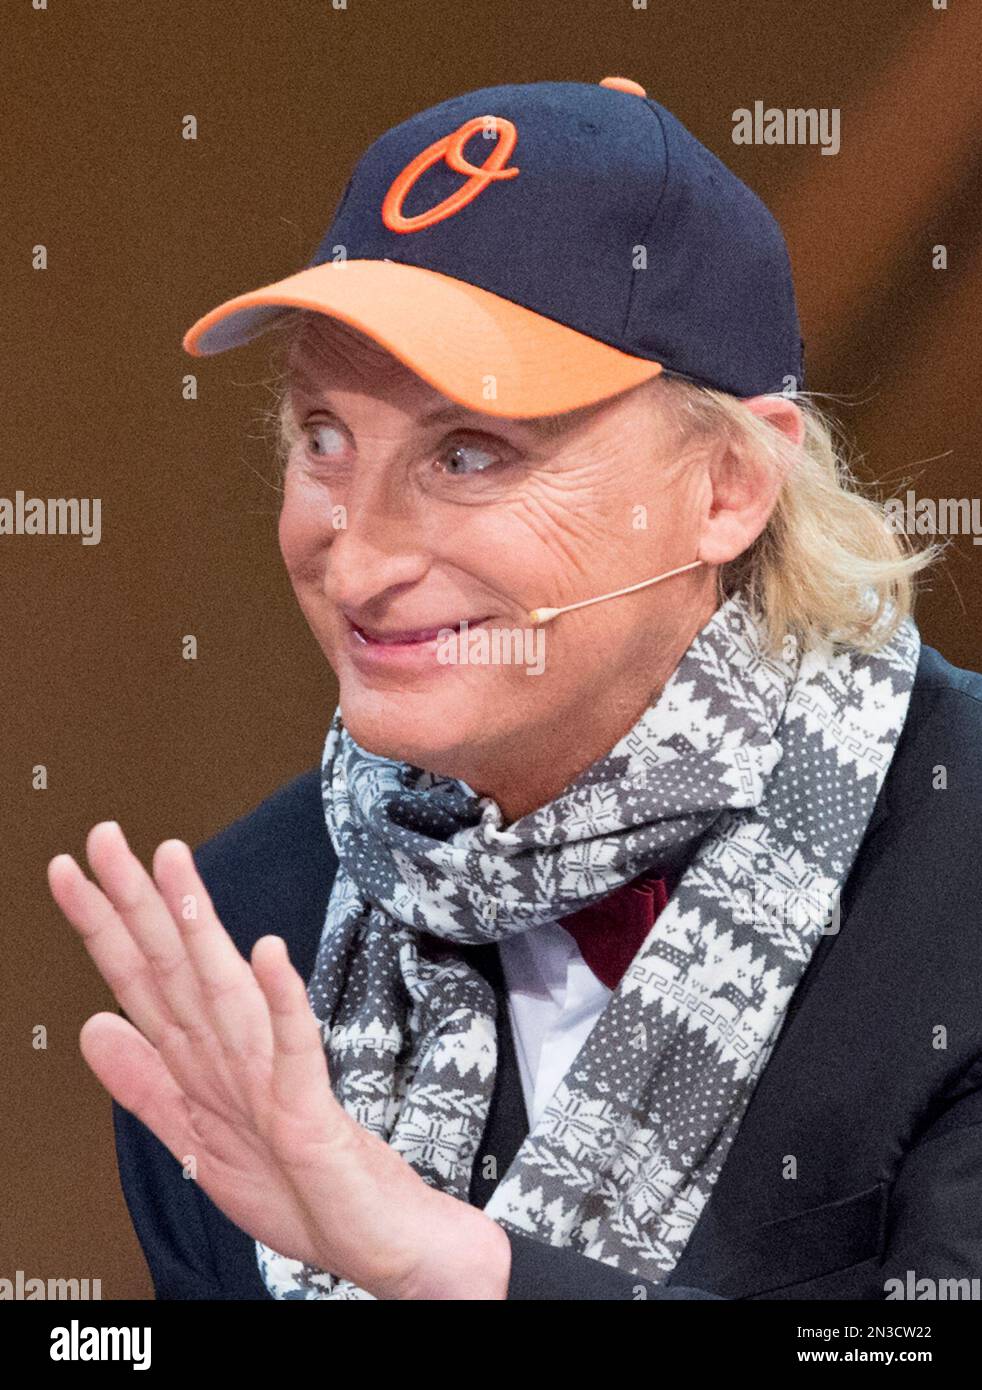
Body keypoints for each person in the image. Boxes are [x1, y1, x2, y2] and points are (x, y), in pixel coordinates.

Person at [48, 77, 982, 1302]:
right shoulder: (242, 941)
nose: (361, 559)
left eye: (467, 453)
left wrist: (463, 1273)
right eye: (322, 436)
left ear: (726, 490)